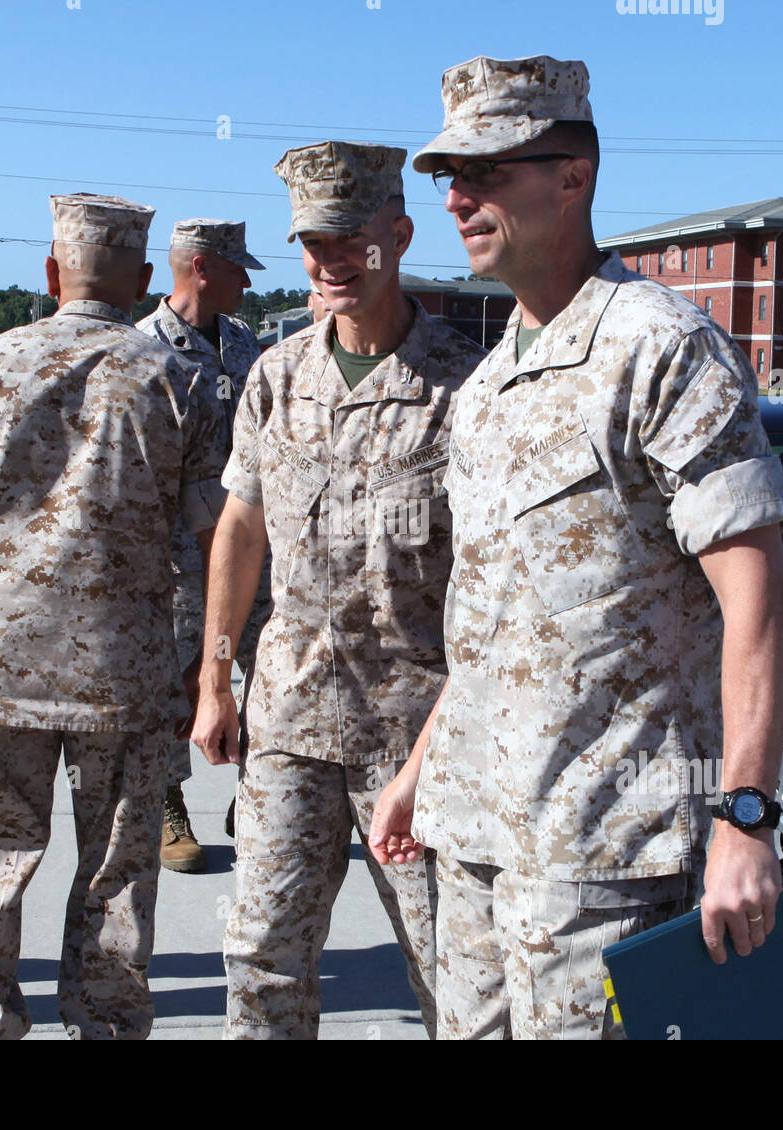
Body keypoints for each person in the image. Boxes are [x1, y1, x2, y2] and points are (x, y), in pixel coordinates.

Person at [369, 55, 783, 1039]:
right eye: (449, 177)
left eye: (486, 171)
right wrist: (417, 774)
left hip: (608, 853)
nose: (456, 198)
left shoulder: (660, 345)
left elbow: (757, 600)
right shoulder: (480, 390)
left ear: (573, 175)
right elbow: (487, 622)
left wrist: (744, 820)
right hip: (473, 832)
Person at [0, 193, 226, 1039]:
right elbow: (212, 533)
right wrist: (214, 656)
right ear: (144, 279)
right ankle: (108, 1025)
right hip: (128, 670)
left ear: (50, 272)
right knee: (117, 870)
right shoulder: (183, 380)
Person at [191, 141, 486, 1039]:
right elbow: (240, 530)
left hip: (418, 731)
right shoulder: (276, 377)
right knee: (263, 954)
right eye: (312, 244)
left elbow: (492, 571)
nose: (330, 262)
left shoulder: (466, 382)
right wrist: (213, 679)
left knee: (454, 965)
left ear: (397, 233)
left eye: (350, 239)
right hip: (289, 715)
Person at [136, 219, 271, 873]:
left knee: (272, 674)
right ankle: (169, 805)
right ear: (200, 268)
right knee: (178, 684)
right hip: (179, 561)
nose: (248, 280)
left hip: (254, 551)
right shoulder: (141, 350)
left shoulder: (246, 344)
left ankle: (257, 801)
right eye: (237, 267)